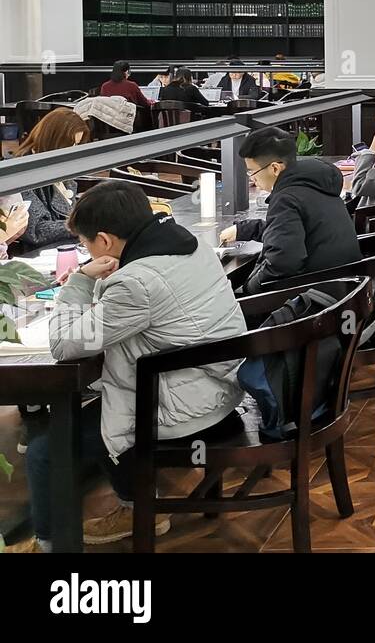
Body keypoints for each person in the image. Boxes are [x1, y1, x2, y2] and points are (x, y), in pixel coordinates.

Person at [11, 181, 246, 552]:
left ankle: (51, 543)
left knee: (46, 450)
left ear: (103, 240)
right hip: (212, 384)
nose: (86, 252)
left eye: (86, 244)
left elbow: (62, 344)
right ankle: (135, 502)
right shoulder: (188, 243)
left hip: (183, 406)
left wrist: (80, 279)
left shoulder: (137, 282)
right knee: (101, 411)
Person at [219, 126, 361, 294]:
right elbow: (293, 231)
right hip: (343, 290)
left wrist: (247, 290)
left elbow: (283, 262)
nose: (253, 179)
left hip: (313, 298)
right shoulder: (315, 182)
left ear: (275, 168)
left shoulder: (285, 199)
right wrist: (244, 229)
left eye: (252, 172)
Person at [10, 108, 88, 253]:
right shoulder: (22, 172)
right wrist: (83, 226)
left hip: (63, 248)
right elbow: (36, 230)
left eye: (77, 145)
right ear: (53, 140)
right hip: (38, 255)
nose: (73, 151)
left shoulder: (59, 168)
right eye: (70, 144)